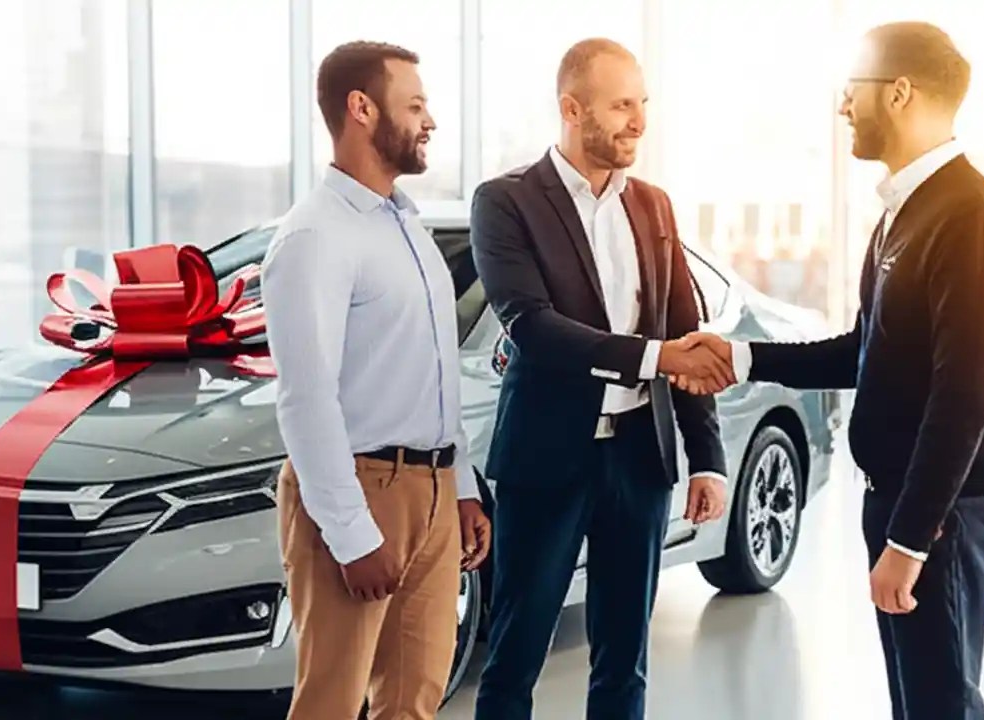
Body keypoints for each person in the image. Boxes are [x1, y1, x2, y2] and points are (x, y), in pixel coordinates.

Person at [678, 22, 984, 720]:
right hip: (902, 503)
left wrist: (910, 536)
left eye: (852, 91)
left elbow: (965, 394)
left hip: (941, 516)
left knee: (941, 705)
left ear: (899, 93)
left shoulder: (969, 217)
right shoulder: (905, 213)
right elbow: (865, 352)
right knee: (918, 701)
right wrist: (740, 357)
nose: (843, 107)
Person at [469, 38, 731, 720]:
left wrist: (707, 459)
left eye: (643, 104)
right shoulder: (505, 202)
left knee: (624, 661)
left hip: (639, 462)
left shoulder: (654, 206)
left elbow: (687, 327)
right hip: (547, 459)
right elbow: (532, 324)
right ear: (571, 108)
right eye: (621, 105)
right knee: (516, 655)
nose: (638, 121)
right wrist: (657, 358)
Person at [262, 41, 491, 720]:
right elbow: (306, 399)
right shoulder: (313, 237)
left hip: (432, 491)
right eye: (415, 104)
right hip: (358, 492)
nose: (430, 120)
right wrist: (351, 533)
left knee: (414, 703)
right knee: (331, 702)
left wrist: (463, 487)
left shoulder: (408, 228)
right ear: (361, 108)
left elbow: (436, 375)